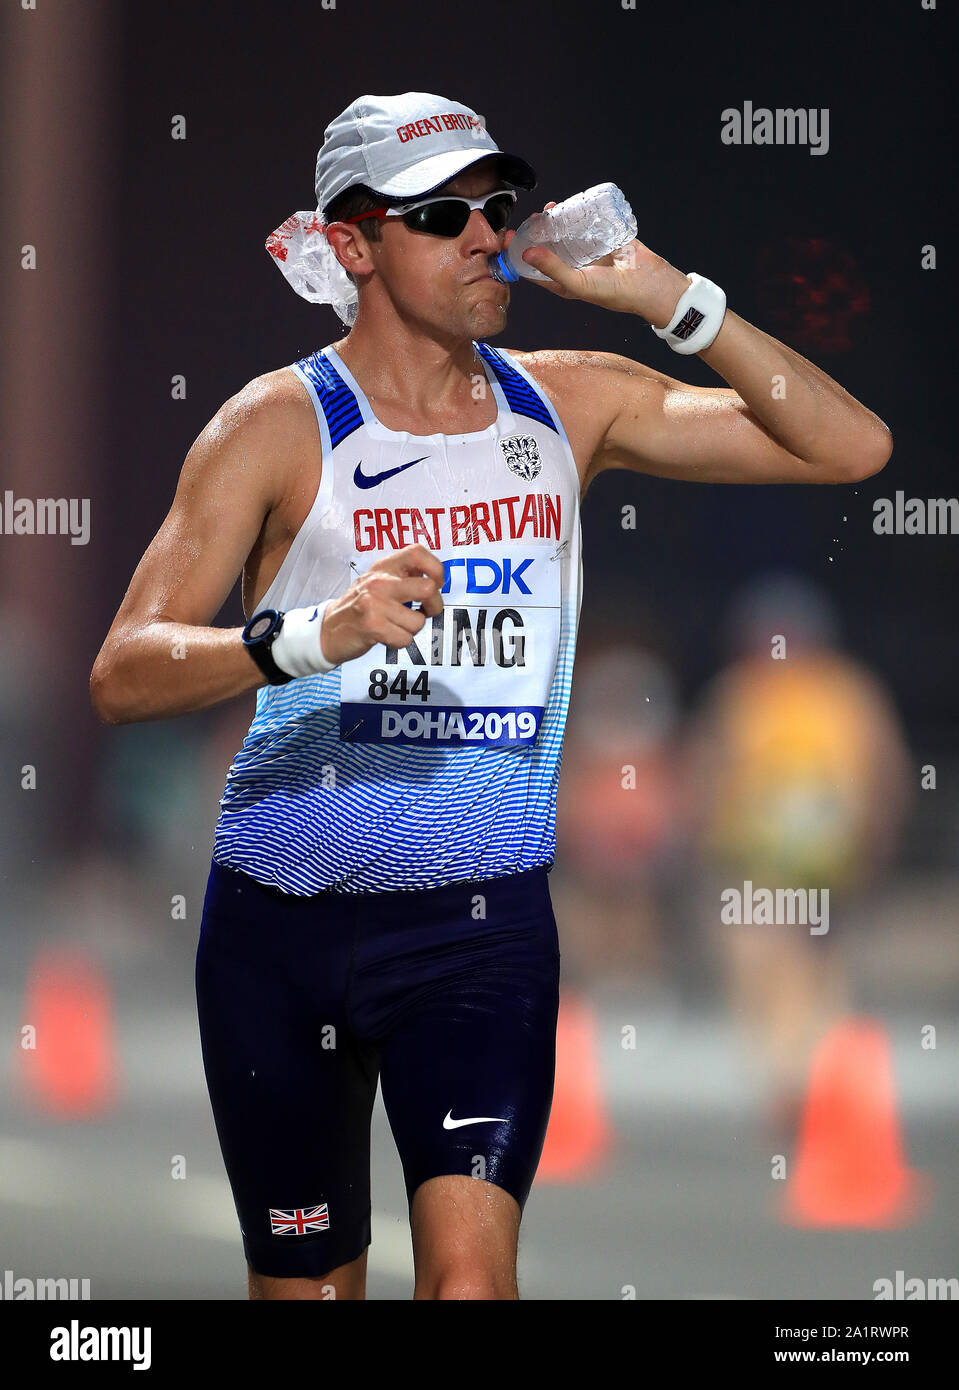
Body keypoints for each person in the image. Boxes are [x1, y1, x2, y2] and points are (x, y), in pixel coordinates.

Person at [89, 91, 892, 1300]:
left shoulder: (565, 403)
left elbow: (849, 449)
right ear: (352, 243)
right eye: (441, 215)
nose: (483, 234)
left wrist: (666, 296)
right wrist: (312, 635)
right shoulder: (272, 426)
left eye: (493, 207)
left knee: (469, 1285)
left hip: (479, 930)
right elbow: (124, 670)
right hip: (281, 928)